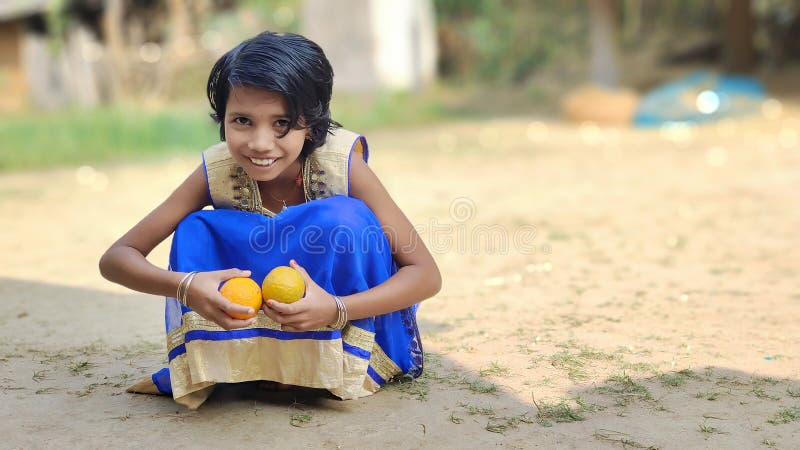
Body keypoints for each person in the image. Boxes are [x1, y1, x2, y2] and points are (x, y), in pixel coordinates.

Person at [99, 31, 441, 409]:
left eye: (282, 124)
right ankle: (255, 364)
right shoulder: (217, 170)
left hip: (346, 326)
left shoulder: (343, 167)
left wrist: (335, 308)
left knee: (343, 218)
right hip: (250, 342)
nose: (261, 143)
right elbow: (117, 259)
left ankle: (323, 365)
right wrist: (188, 286)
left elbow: (425, 274)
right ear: (222, 119)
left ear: (311, 123)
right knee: (198, 227)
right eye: (242, 120)